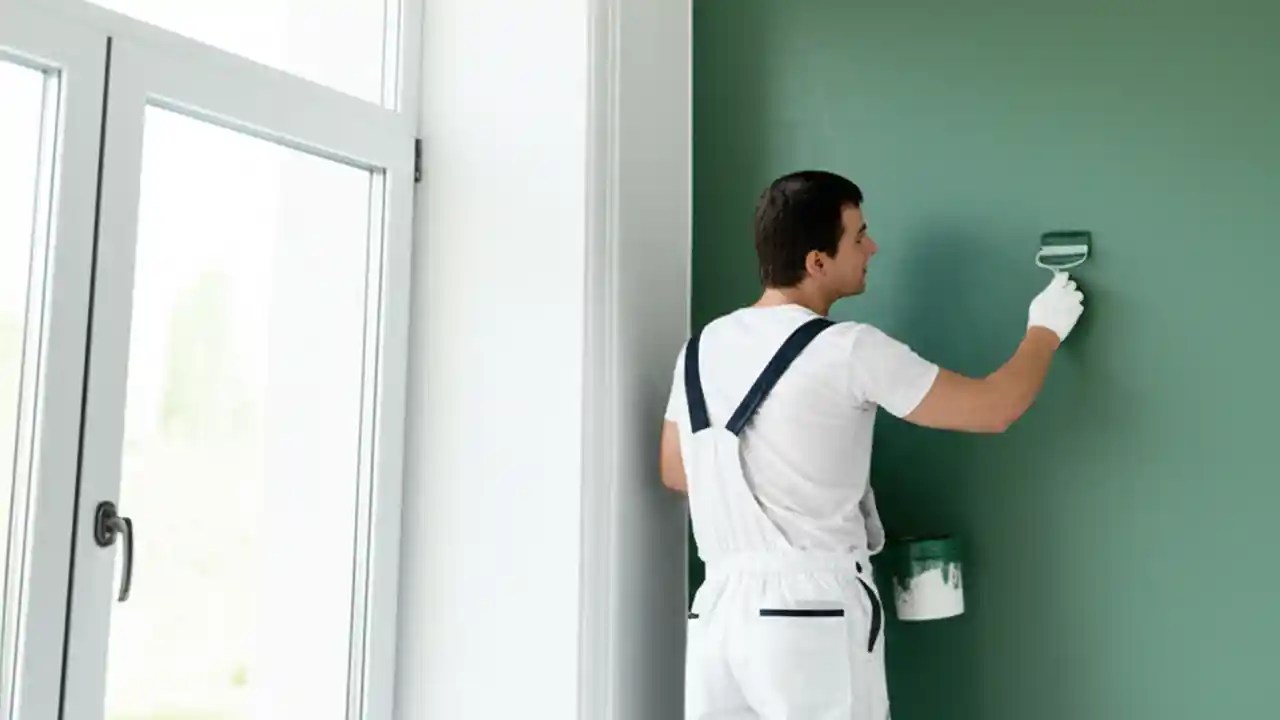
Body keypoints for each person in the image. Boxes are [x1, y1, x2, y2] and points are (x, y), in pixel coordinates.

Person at [659, 170, 1084, 719]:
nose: (872, 246)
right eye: (858, 236)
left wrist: (783, 477)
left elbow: (676, 469)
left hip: (717, 615)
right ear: (817, 262)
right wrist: (1044, 329)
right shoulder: (848, 350)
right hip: (811, 612)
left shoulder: (702, 348)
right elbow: (995, 409)